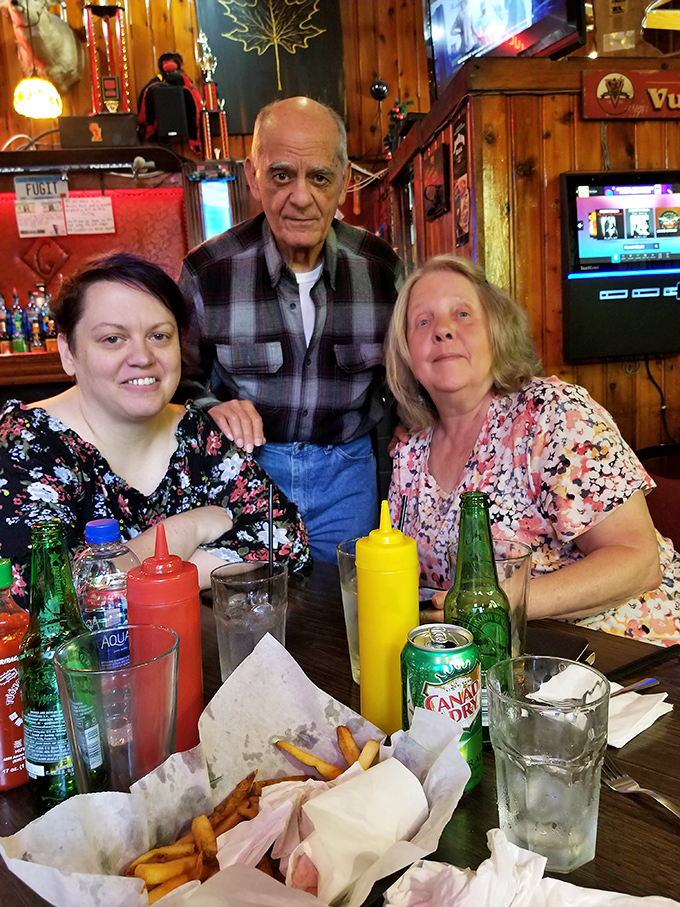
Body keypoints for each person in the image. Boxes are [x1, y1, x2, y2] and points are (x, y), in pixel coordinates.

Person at [385, 253, 680, 646]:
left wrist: (497, 602)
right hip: (492, 657)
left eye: (462, 314)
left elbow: (638, 562)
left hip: (622, 648)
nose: (443, 331)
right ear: (406, 351)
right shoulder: (411, 449)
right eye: (423, 321)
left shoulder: (553, 413)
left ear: (496, 330)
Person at [0, 253, 309, 604]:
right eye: (112, 339)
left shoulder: (197, 433)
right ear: (68, 352)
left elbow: (286, 540)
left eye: (159, 335)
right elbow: (44, 595)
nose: (143, 357)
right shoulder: (28, 442)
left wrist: (134, 578)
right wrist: (189, 527)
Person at [179, 96, 403, 563]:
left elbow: (408, 382)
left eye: (319, 177)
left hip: (349, 473)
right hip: (247, 472)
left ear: (344, 180)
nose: (301, 197)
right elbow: (175, 381)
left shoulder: (382, 270)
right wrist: (212, 407)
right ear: (252, 176)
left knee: (344, 602)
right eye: (281, 175)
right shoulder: (208, 270)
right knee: (252, 603)